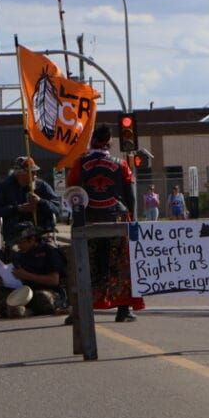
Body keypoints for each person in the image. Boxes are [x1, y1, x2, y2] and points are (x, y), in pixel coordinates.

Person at [66, 124, 143, 322]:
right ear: (109, 142)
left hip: (89, 219)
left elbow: (71, 189)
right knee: (120, 265)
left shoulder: (80, 163)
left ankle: (79, 311)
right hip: (117, 218)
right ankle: (123, 310)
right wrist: (132, 219)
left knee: (86, 264)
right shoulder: (121, 164)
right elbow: (130, 195)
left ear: (92, 141)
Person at [0, 223, 68, 318]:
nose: (18, 246)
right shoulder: (22, 254)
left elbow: (54, 280)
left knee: (42, 298)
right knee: (2, 305)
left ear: (32, 239)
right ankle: (23, 310)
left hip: (50, 291)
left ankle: (27, 311)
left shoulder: (49, 251)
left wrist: (26, 275)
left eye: (21, 242)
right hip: (27, 292)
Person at [0, 156, 63, 245]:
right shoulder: (4, 187)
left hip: (40, 231)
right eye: (32, 172)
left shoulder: (41, 186)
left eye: (35, 171)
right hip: (15, 233)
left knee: (49, 248)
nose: (35, 175)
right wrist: (17, 208)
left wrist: (41, 201)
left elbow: (57, 208)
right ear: (20, 173)